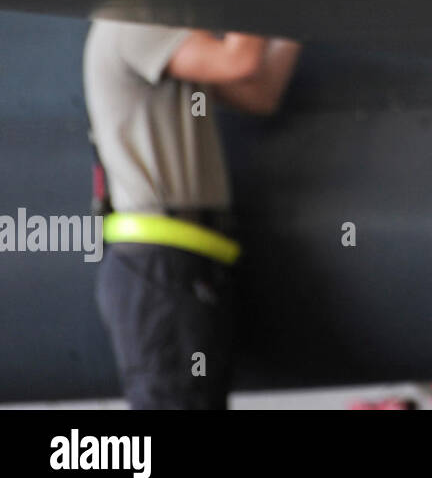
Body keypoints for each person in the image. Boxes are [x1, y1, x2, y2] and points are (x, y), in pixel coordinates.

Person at [83, 21, 301, 409]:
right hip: (162, 268)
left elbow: (260, 92)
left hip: (177, 266)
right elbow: (241, 62)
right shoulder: (133, 25)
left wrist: (298, 12)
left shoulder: (164, 41)